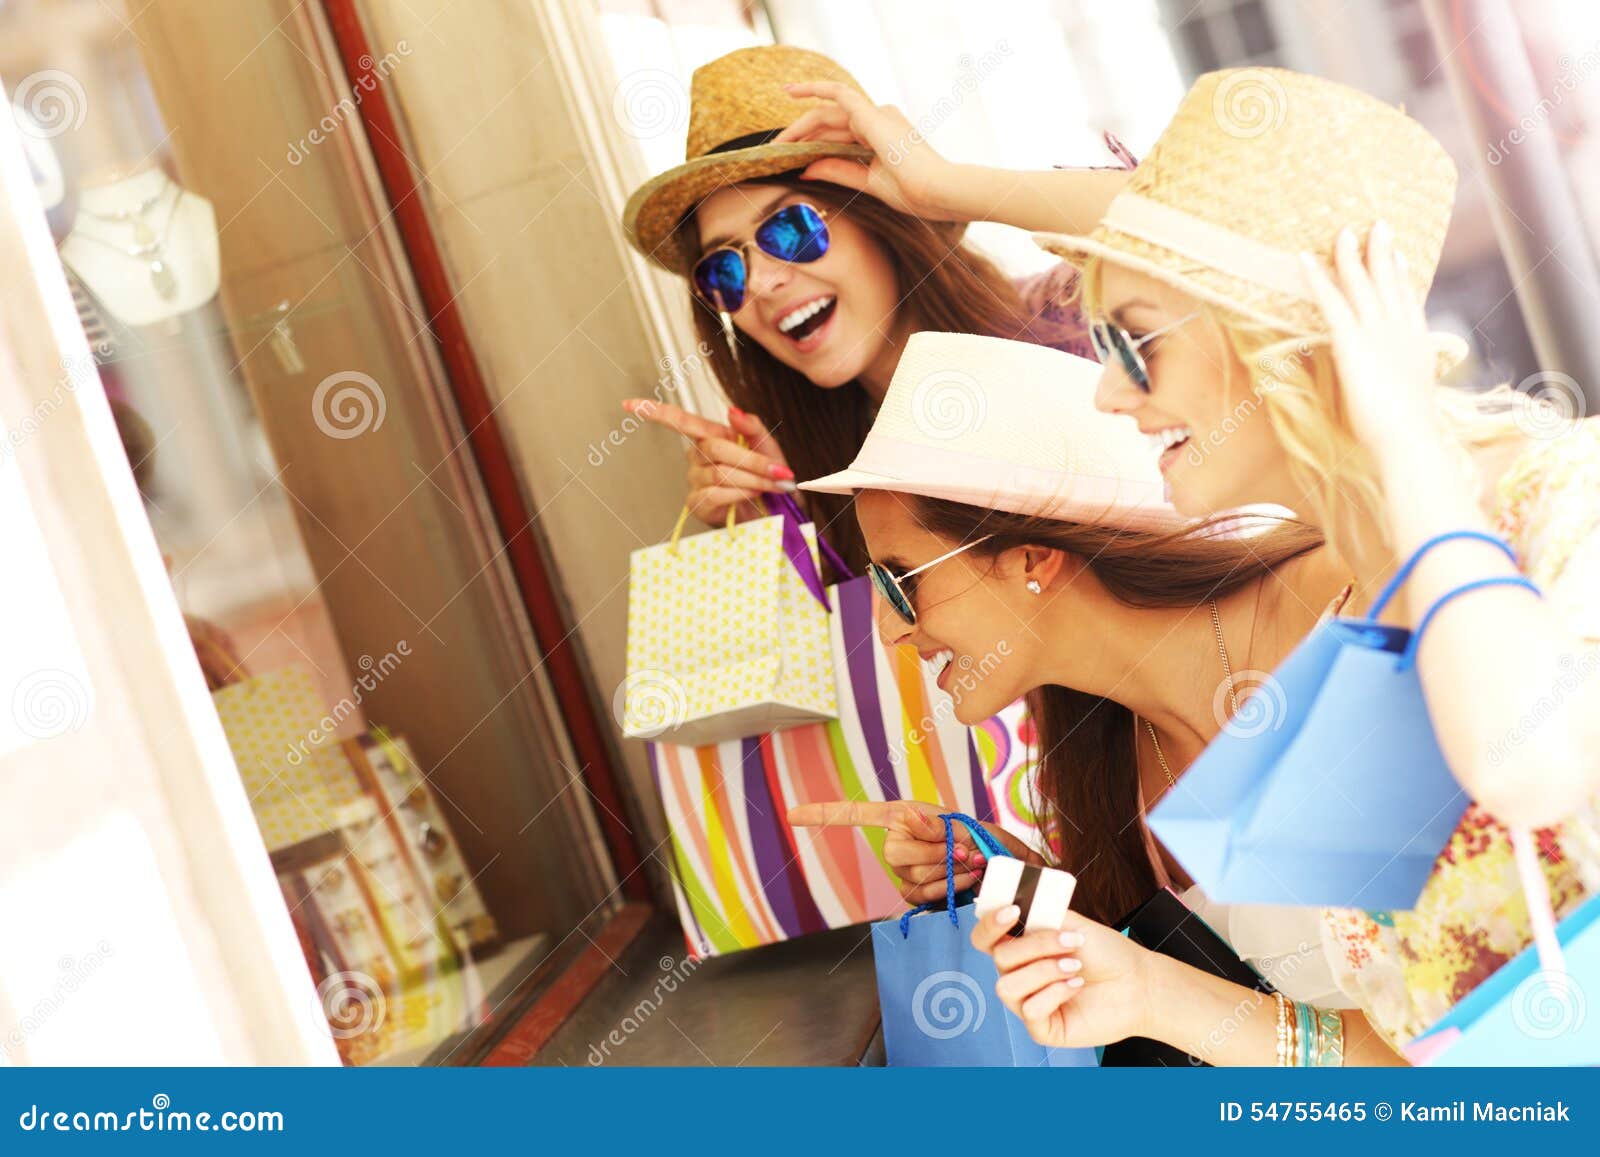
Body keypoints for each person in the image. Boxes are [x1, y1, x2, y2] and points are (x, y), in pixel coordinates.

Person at [789, 331, 1395, 1065]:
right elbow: (1181, 999)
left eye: (897, 581)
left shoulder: (1355, 609)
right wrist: (1021, 884)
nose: (889, 630)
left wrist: (1152, 990)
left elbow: (1455, 1057)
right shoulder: (1102, 757)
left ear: (1031, 557)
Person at [618, 44, 1132, 571]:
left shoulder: (1083, 313)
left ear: (881, 211)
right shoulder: (833, 475)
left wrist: (945, 186)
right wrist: (783, 526)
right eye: (723, 270)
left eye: (790, 228)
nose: (762, 283)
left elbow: (1178, 217)